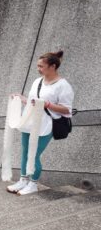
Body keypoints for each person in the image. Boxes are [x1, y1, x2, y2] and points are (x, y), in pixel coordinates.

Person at [7, 51, 74, 196]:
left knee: (34, 154)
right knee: (25, 152)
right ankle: (23, 180)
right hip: (30, 122)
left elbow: (66, 110)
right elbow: (33, 102)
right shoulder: (37, 81)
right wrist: (21, 98)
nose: (38, 68)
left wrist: (47, 104)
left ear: (53, 66)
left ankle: (33, 184)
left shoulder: (63, 85)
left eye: (41, 66)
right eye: (38, 66)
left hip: (46, 125)